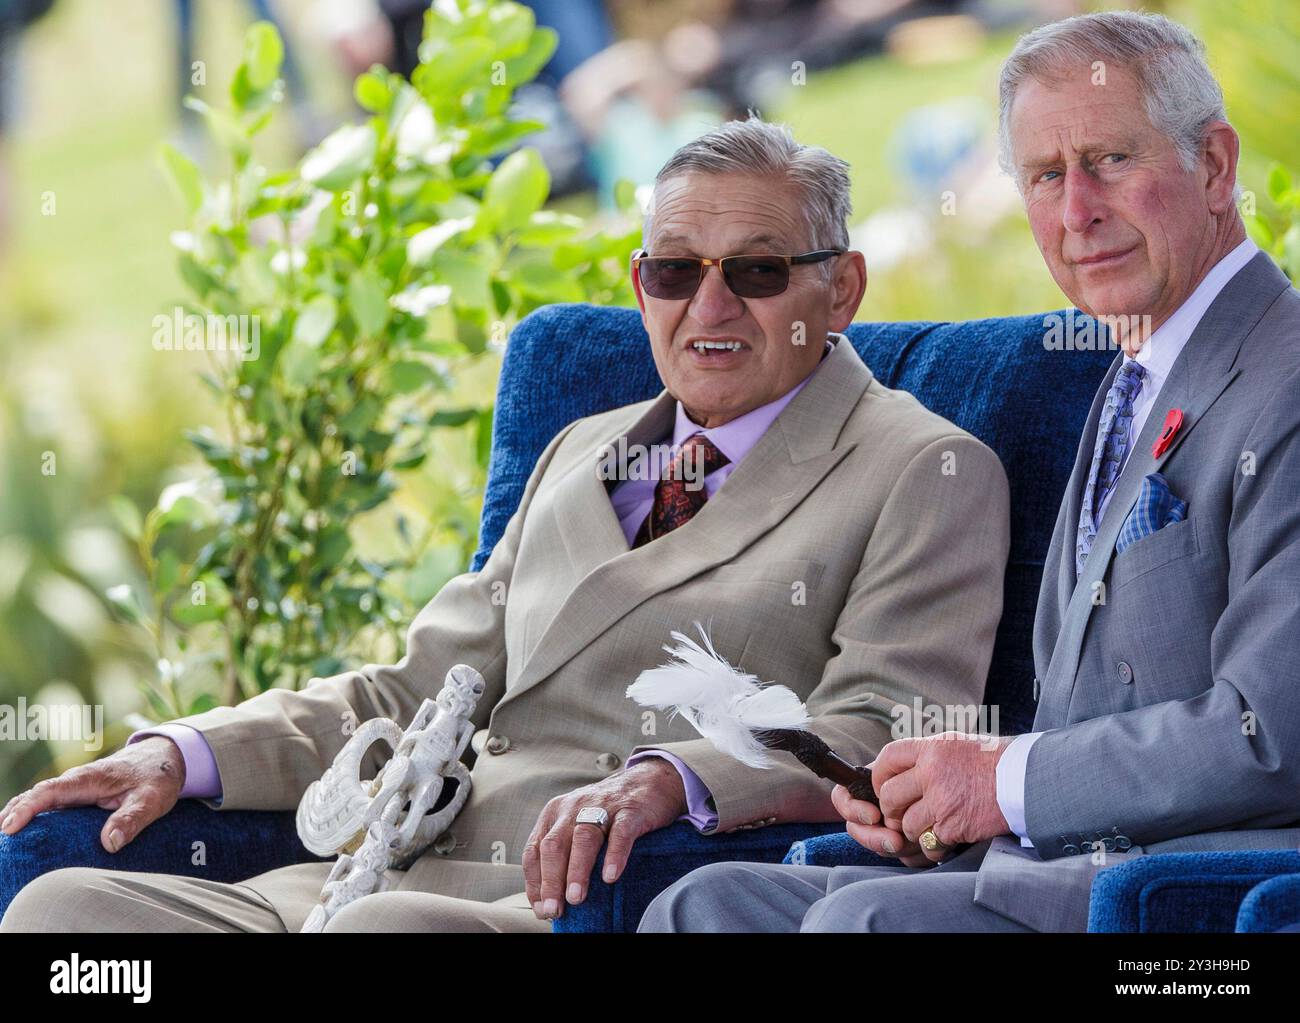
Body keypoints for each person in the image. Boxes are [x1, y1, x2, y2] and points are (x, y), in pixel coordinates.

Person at [0, 117, 1009, 933]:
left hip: (578, 898)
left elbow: (888, 734)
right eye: (673, 270)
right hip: (384, 868)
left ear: (841, 289)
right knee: (66, 915)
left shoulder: (923, 469)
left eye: (755, 270)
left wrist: (672, 780)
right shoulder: (583, 449)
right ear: (638, 287)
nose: (710, 303)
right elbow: (411, 686)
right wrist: (182, 753)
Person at [641, 10, 1300, 933]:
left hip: (1182, 899)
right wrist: (943, 792)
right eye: (1044, 176)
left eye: (1111, 161)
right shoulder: (1133, 373)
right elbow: (1101, 702)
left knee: (852, 929)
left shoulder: (1286, 375)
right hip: (1044, 864)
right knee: (702, 905)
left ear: (1216, 166)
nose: (1077, 212)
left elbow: (1271, 734)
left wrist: (1008, 783)